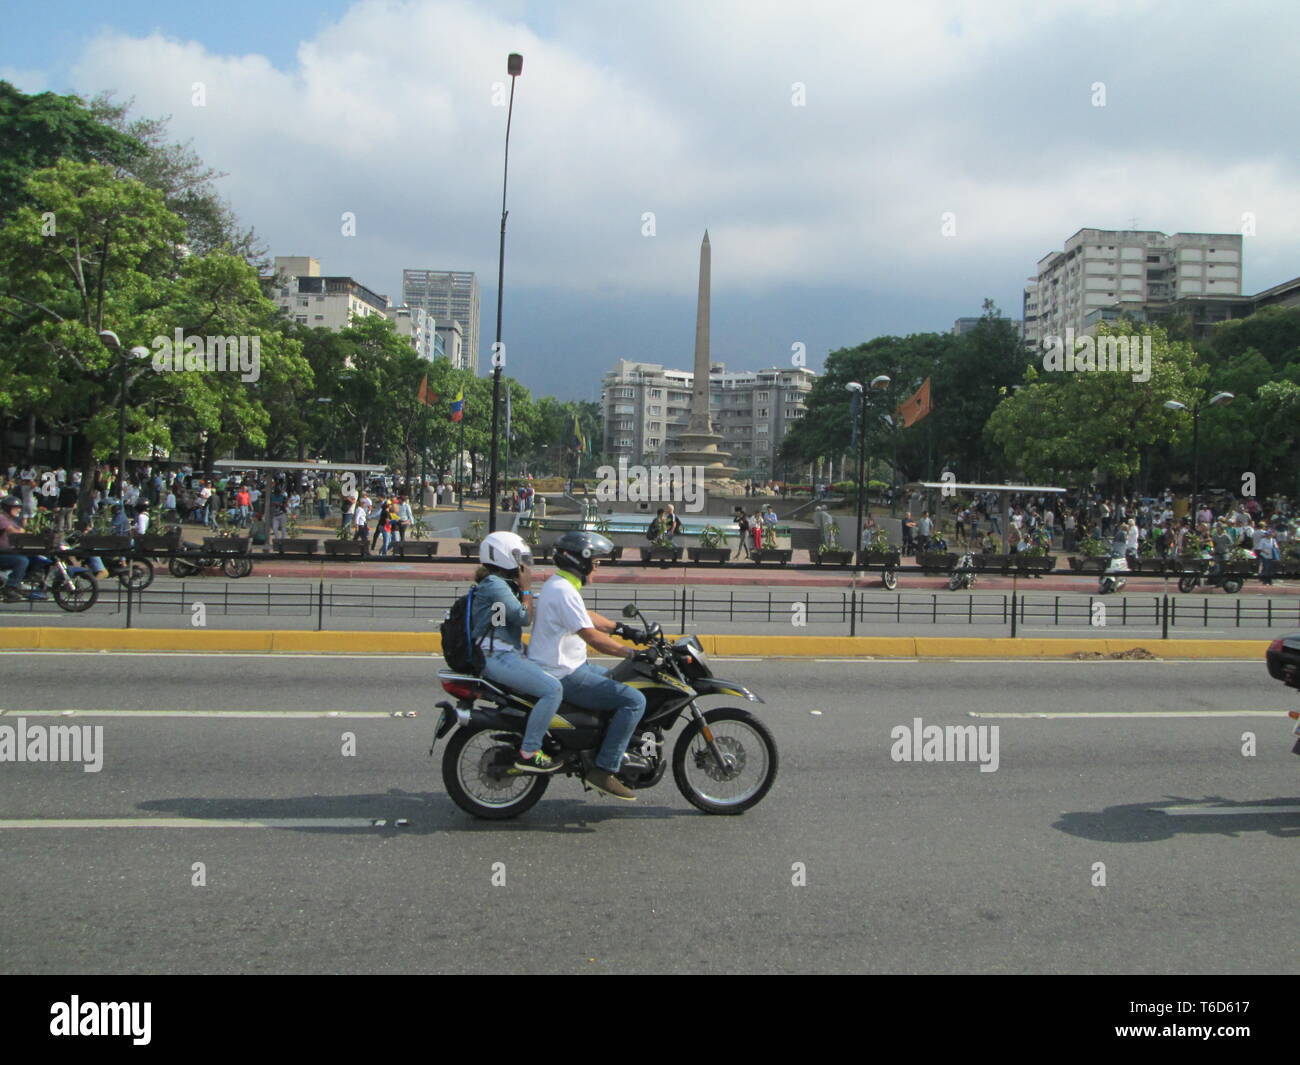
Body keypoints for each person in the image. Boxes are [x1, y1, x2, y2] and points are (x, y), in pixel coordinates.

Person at [528, 530, 647, 801]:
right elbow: (592, 636)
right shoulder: (563, 591)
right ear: (579, 561)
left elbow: (586, 616)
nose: (598, 564)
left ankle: (596, 744)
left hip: (568, 667)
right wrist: (631, 653)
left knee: (617, 680)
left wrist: (623, 629)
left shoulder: (560, 585)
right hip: (565, 675)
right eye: (595, 560)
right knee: (634, 700)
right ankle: (604, 769)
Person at [467, 531, 567, 773]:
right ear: (502, 557)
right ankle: (530, 750)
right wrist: (526, 589)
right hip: (497, 657)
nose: (522, 563)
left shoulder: (498, 584)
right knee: (553, 690)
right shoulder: (494, 585)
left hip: (504, 652)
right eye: (517, 556)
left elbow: (510, 615)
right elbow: (523, 617)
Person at [0, 495, 46, 601]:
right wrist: (25, 532)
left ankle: (31, 582)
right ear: (8, 508)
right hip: (2, 553)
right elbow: (11, 530)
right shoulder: (2, 518)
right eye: (16, 508)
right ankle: (10, 588)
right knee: (21, 561)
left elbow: (21, 530)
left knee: (34, 557)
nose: (19, 510)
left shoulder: (11, 520)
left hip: (8, 552)